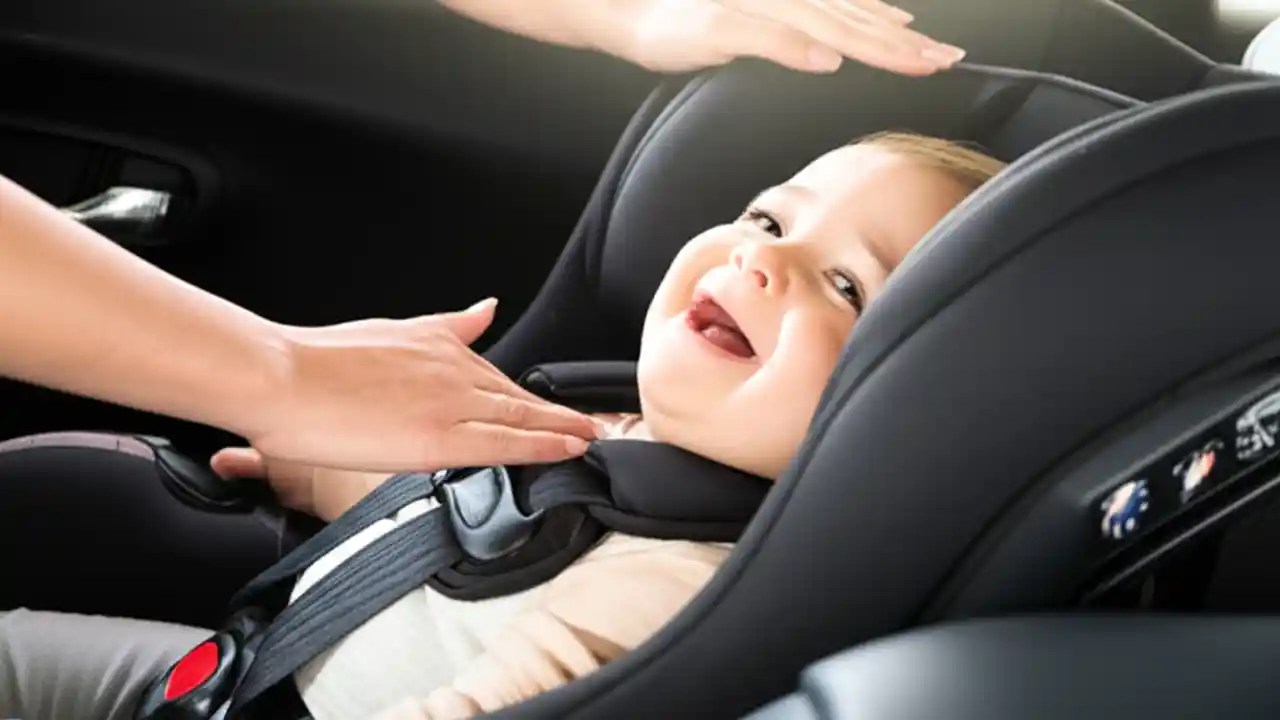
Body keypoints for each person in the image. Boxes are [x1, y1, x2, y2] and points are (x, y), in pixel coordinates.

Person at [0, 132, 1005, 720]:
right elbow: (458, 526)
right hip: (232, 669)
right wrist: (321, 470)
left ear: (904, 411)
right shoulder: (607, 430)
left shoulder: (678, 582)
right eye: (768, 220)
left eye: (843, 284)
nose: (759, 263)